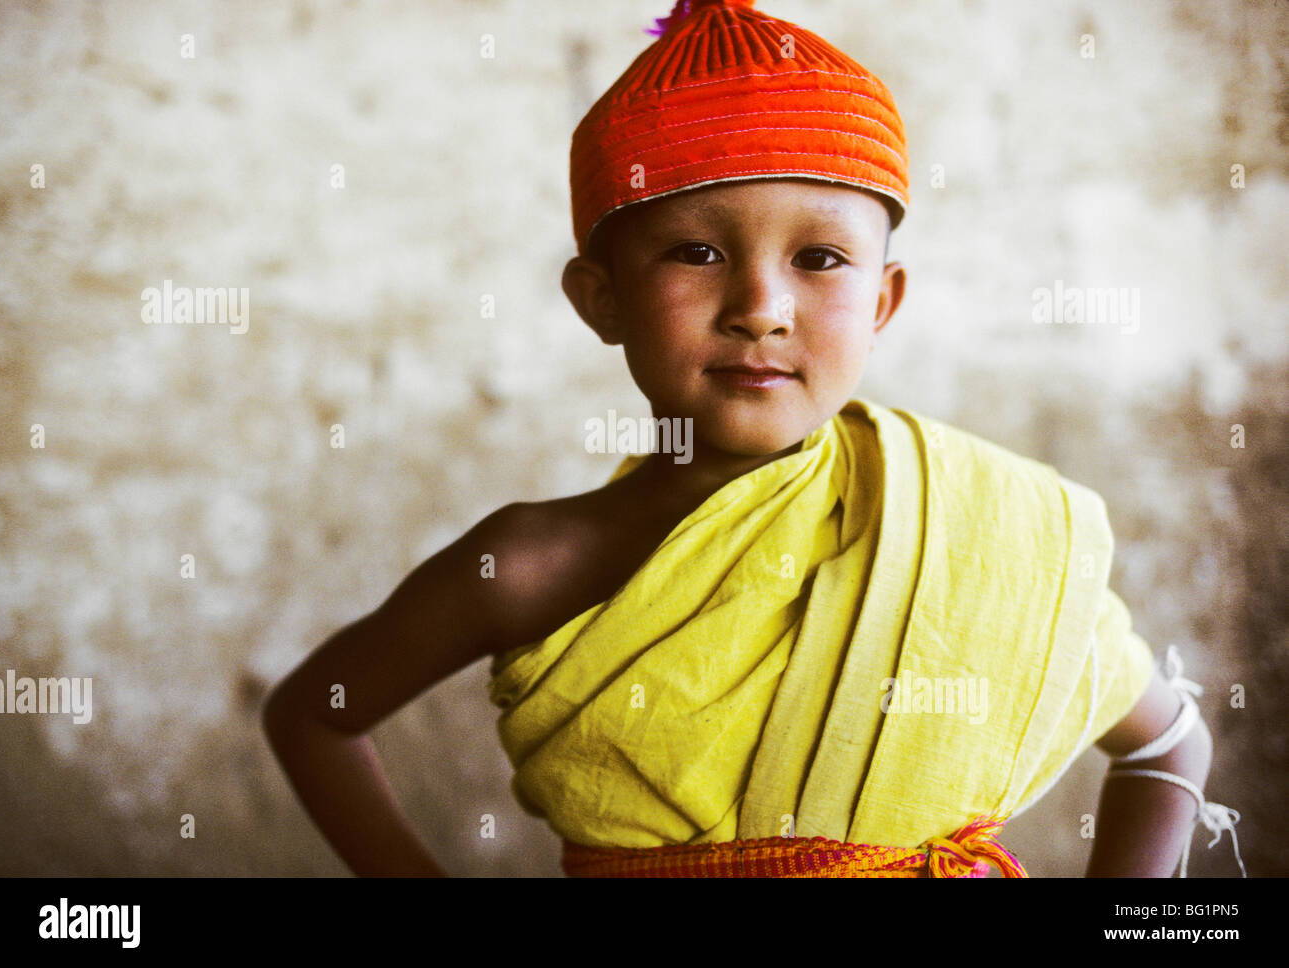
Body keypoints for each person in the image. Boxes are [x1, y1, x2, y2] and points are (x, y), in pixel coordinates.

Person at [262, 0, 1244, 877]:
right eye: (696, 251)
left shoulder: (975, 528)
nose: (760, 308)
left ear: (884, 301)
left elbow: (1169, 745)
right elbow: (313, 713)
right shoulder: (528, 562)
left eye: (819, 258)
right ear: (599, 299)